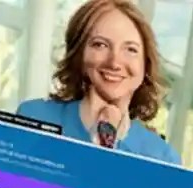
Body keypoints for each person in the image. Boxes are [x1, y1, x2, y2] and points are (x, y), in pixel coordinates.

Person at [17, 0, 181, 165]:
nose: (114, 63)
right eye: (100, 45)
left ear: (145, 64)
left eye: (131, 49)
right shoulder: (34, 117)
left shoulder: (162, 158)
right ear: (79, 54)